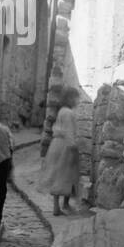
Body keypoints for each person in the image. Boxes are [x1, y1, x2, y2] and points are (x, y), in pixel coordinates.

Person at [39, 86, 83, 216]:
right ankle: (62, 205)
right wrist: (73, 148)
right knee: (66, 174)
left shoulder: (62, 111)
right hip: (65, 146)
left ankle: (58, 206)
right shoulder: (69, 113)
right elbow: (69, 133)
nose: (77, 101)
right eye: (76, 98)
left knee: (57, 173)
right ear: (70, 98)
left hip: (56, 145)